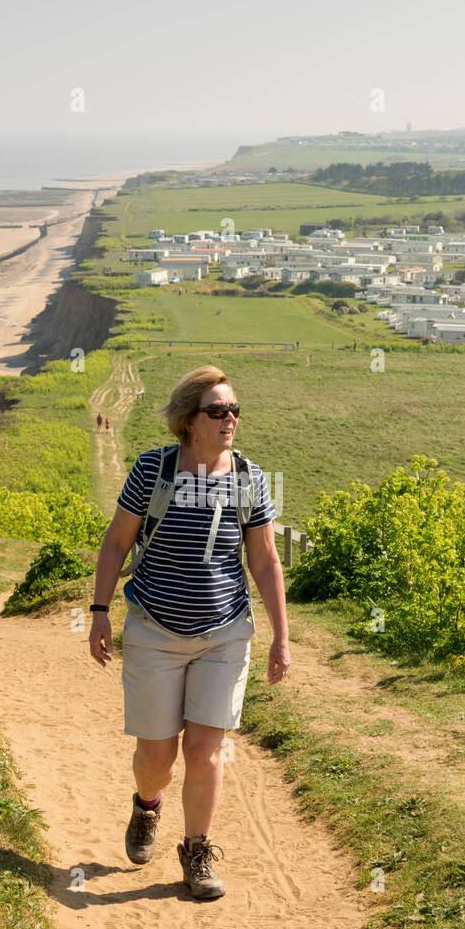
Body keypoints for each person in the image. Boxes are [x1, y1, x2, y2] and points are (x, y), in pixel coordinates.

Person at [89, 366, 290, 901]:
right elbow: (117, 542)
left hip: (225, 633)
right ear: (189, 420)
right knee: (157, 758)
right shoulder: (152, 470)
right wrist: (100, 611)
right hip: (154, 629)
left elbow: (265, 560)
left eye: (234, 409)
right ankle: (146, 805)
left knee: (205, 751)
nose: (230, 419)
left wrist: (281, 636)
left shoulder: (250, 479)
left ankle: (197, 851)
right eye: (217, 410)